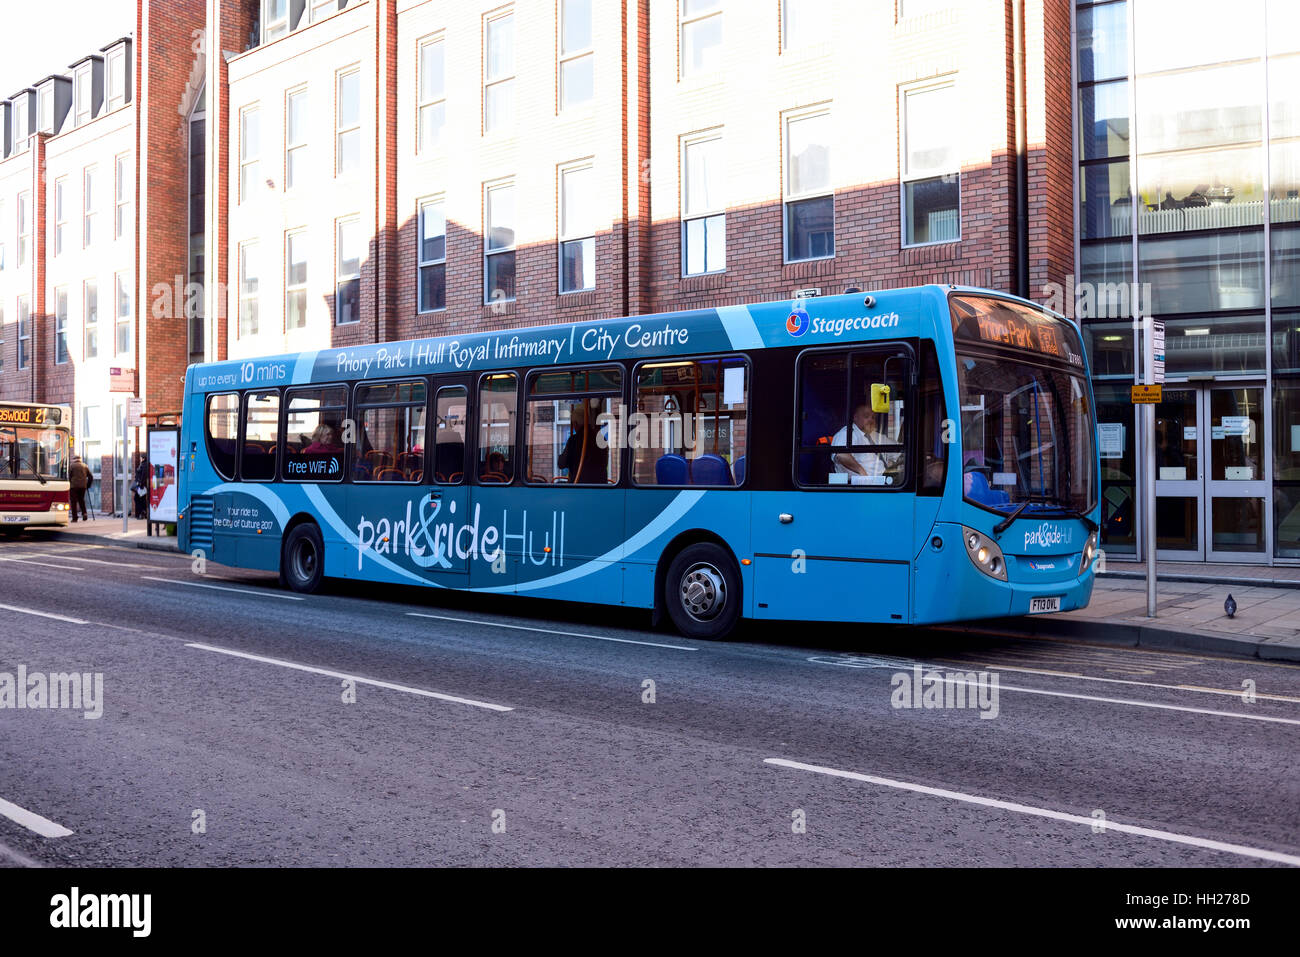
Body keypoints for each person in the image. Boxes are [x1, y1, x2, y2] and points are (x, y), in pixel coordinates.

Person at [832, 403, 900, 480]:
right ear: (855, 417)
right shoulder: (847, 434)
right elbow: (842, 455)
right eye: (866, 416)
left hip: (883, 482)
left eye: (873, 417)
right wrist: (862, 472)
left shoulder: (877, 436)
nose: (871, 420)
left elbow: (899, 451)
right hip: (859, 486)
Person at [558, 401, 607, 484]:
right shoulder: (601, 439)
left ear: (576, 423)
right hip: (601, 485)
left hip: (580, 485)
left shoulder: (574, 441)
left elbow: (562, 463)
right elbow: (605, 463)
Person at [69, 455, 91, 523]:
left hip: (73, 486)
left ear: (74, 459)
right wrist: (88, 485)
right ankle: (84, 513)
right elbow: (91, 476)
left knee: (73, 502)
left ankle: (75, 518)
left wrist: (69, 482)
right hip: (83, 486)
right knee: (81, 500)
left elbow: (69, 476)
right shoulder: (85, 466)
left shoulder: (71, 466)